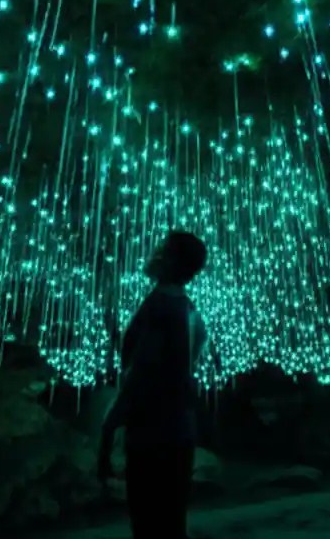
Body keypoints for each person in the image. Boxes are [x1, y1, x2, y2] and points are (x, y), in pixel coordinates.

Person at [98, 231, 209, 539]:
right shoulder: (189, 310)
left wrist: (108, 429)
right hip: (178, 430)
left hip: (153, 434)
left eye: (161, 248)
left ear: (171, 260)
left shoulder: (160, 311)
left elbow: (140, 376)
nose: (153, 251)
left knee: (151, 525)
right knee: (171, 524)